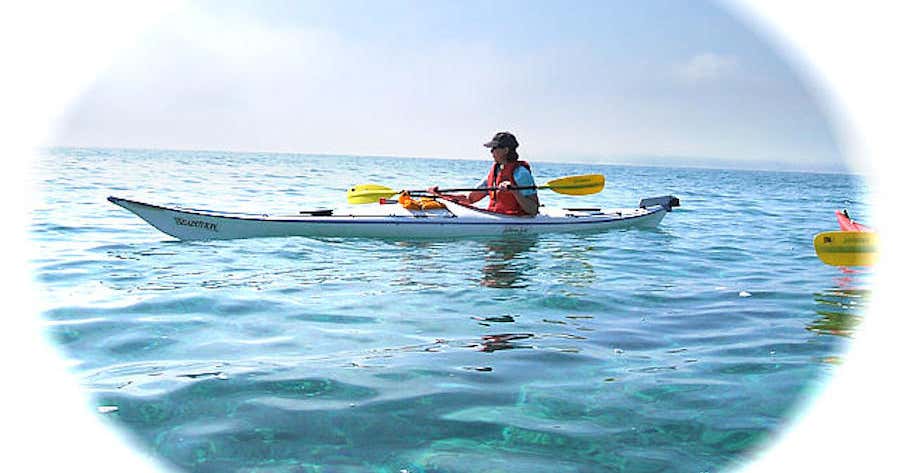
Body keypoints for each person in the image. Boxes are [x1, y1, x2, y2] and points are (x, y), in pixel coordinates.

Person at [429, 131, 540, 216]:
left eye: (494, 148)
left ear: (506, 150)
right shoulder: (495, 172)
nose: (491, 151)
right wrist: (440, 195)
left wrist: (514, 191)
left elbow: (533, 210)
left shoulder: (521, 173)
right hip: (497, 217)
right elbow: (470, 199)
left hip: (516, 221)